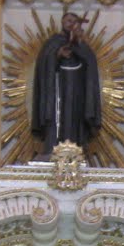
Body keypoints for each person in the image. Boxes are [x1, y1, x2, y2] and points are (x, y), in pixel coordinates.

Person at [32, 11, 101, 150]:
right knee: (56, 117)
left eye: (74, 21)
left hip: (76, 91)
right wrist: (57, 55)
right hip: (57, 88)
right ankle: (52, 148)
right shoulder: (53, 42)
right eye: (68, 20)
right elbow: (43, 65)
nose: (71, 24)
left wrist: (78, 46)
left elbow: (90, 65)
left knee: (74, 119)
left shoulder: (82, 45)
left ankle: (77, 147)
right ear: (62, 22)